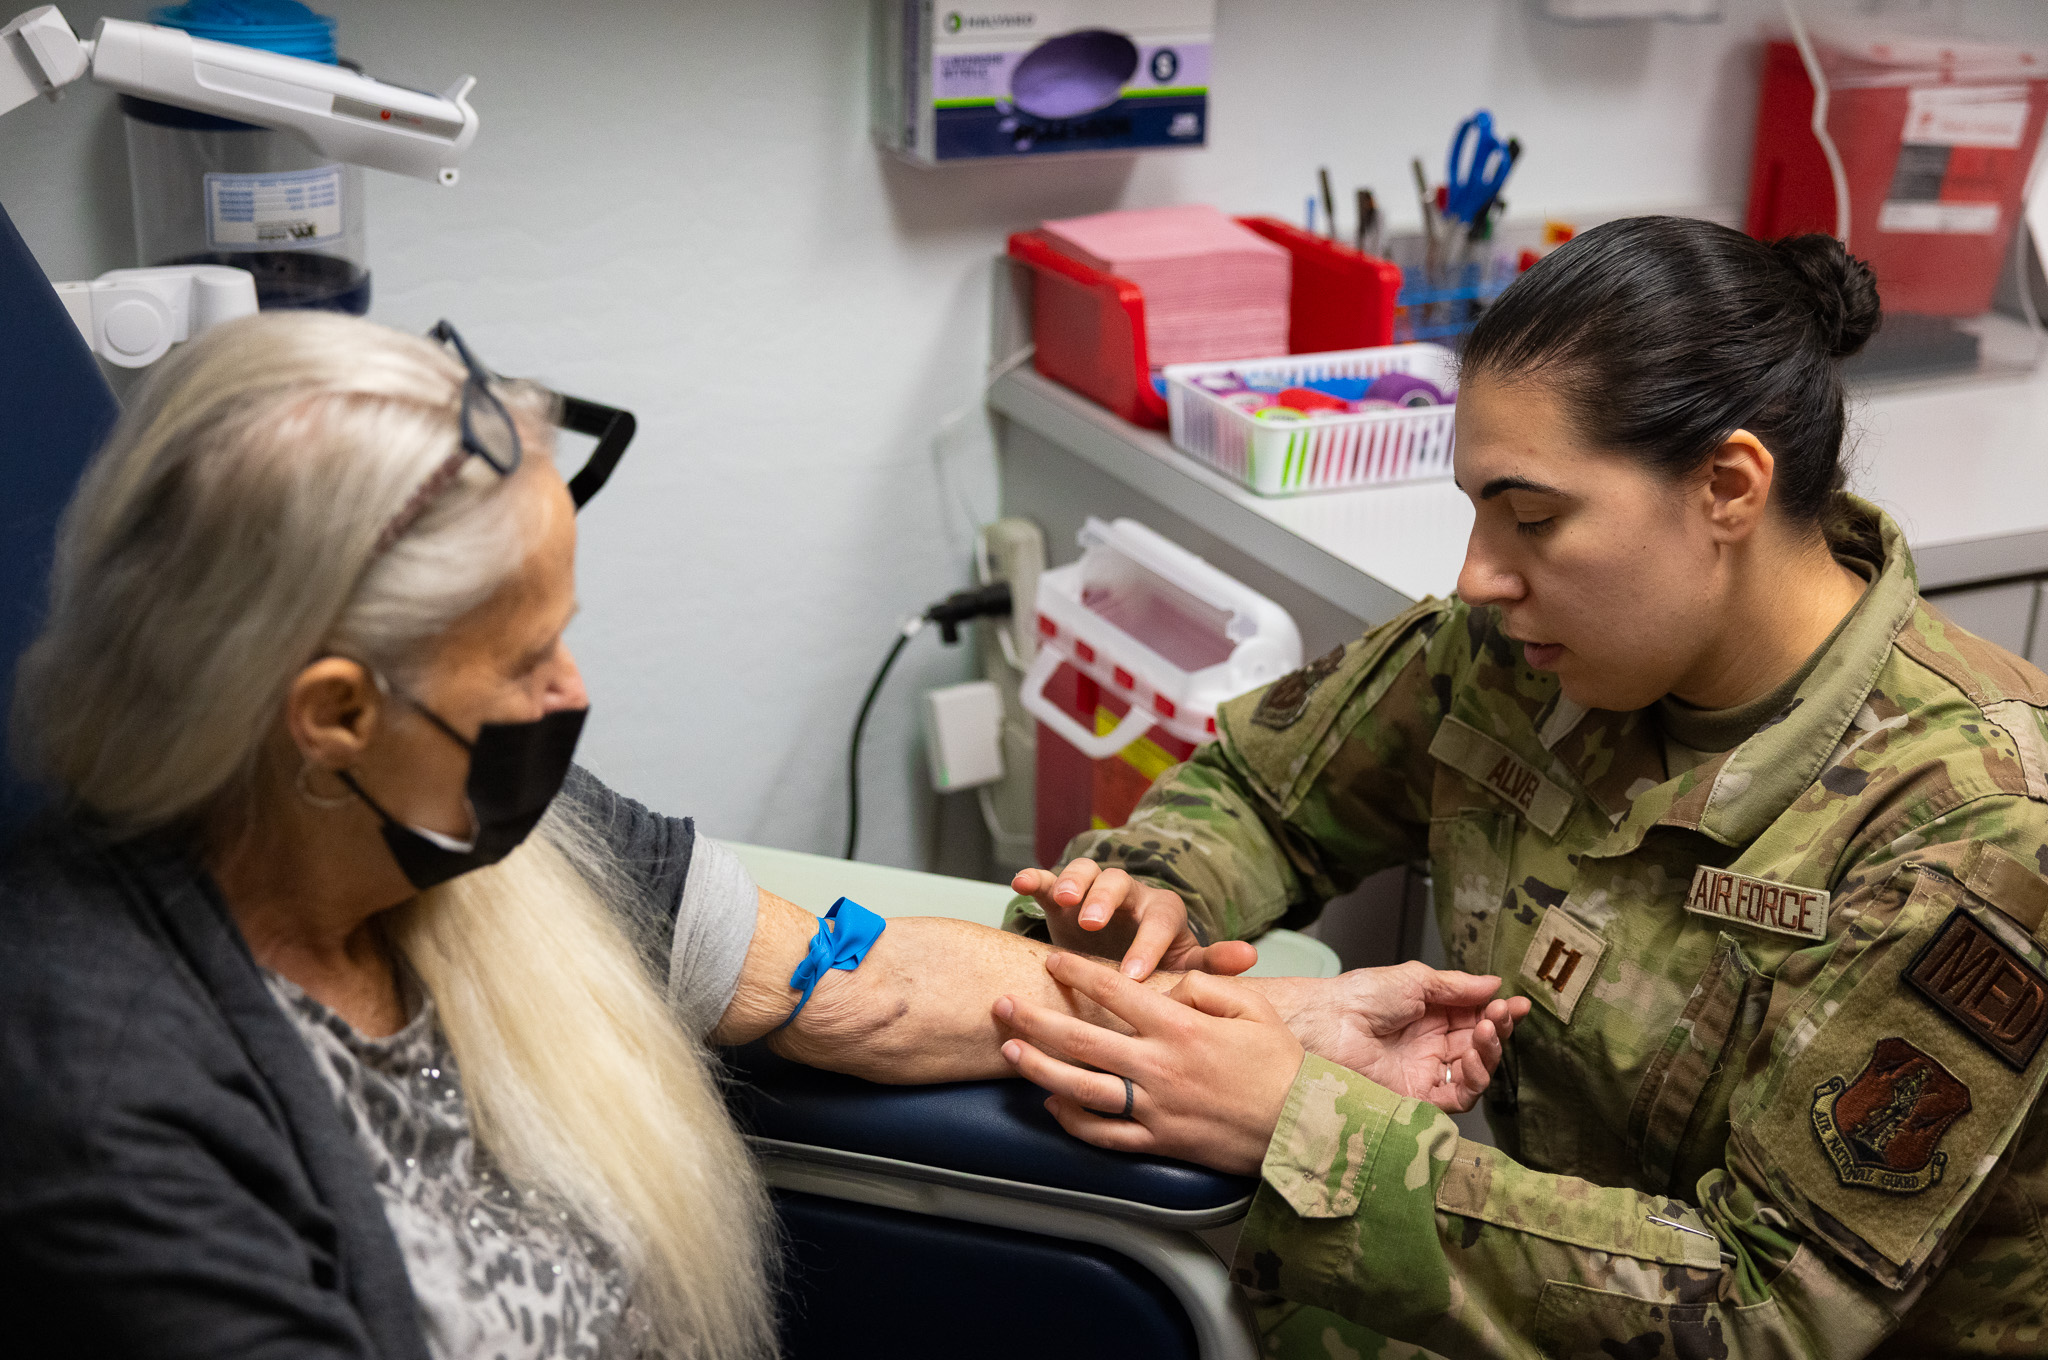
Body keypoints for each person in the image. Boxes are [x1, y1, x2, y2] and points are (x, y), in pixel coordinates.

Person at [0, 311, 1524, 1359]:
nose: (574, 695)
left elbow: (856, 984)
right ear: (329, 713)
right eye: (525, 665)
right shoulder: (108, 1097)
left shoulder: (481, 838)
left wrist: (1288, 1025)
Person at [998, 217, 2048, 1358]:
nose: (1477, 573)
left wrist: (1294, 1125)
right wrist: (1158, 892)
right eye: (1477, 510)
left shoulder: (1974, 829)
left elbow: (1766, 1311)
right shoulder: (1516, 652)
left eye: (1533, 517)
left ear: (1728, 487)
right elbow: (1262, 792)